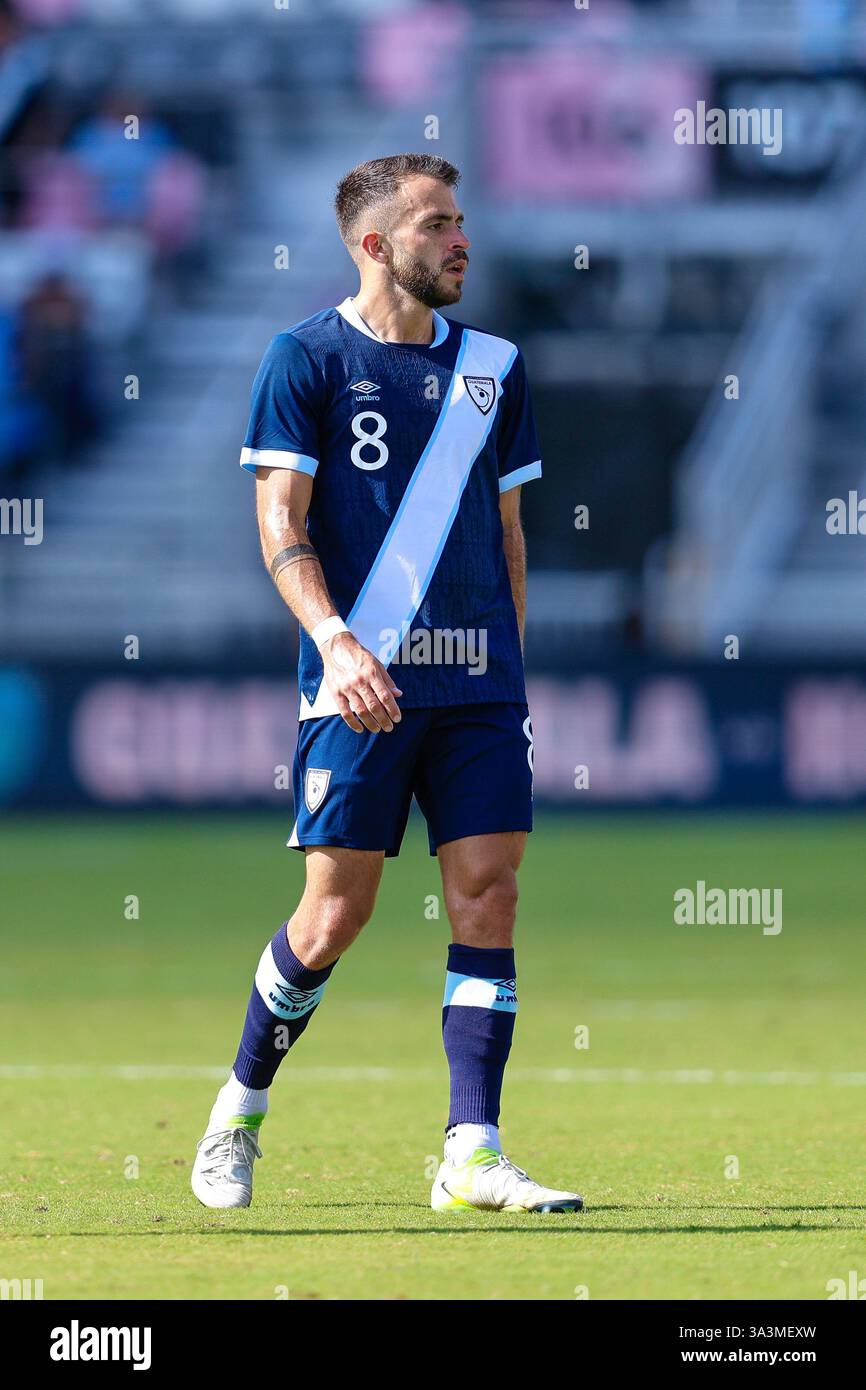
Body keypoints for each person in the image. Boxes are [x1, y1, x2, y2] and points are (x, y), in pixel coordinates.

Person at [192, 153, 583, 1215]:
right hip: (356, 679)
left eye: (460, 220)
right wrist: (335, 641)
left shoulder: (494, 365)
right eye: (437, 224)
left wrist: (508, 668)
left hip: (477, 690)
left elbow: (506, 535)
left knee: (488, 893)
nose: (461, 239)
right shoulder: (303, 357)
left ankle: (471, 1150)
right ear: (375, 245)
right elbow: (280, 524)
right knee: (333, 916)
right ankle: (238, 1111)